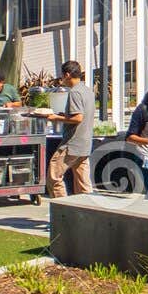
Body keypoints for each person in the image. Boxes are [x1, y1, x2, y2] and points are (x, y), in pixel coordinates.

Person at [48, 61, 96, 197]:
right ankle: (87, 208)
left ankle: (62, 206)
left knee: (53, 176)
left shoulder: (75, 92)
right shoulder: (87, 91)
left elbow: (78, 118)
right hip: (85, 143)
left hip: (72, 143)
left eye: (62, 75)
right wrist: (64, 115)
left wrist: (55, 117)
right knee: (83, 183)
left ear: (67, 75)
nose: (61, 79)